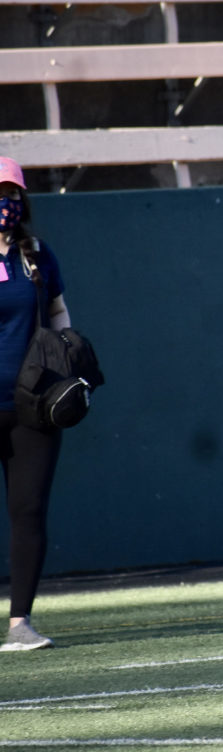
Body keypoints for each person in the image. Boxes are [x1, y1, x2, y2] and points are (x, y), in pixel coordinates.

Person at [0, 157, 71, 652]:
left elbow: (58, 310)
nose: (5, 203)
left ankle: (19, 621)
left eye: (11, 193)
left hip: (30, 405)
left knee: (28, 511)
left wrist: (71, 357)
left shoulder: (36, 255)